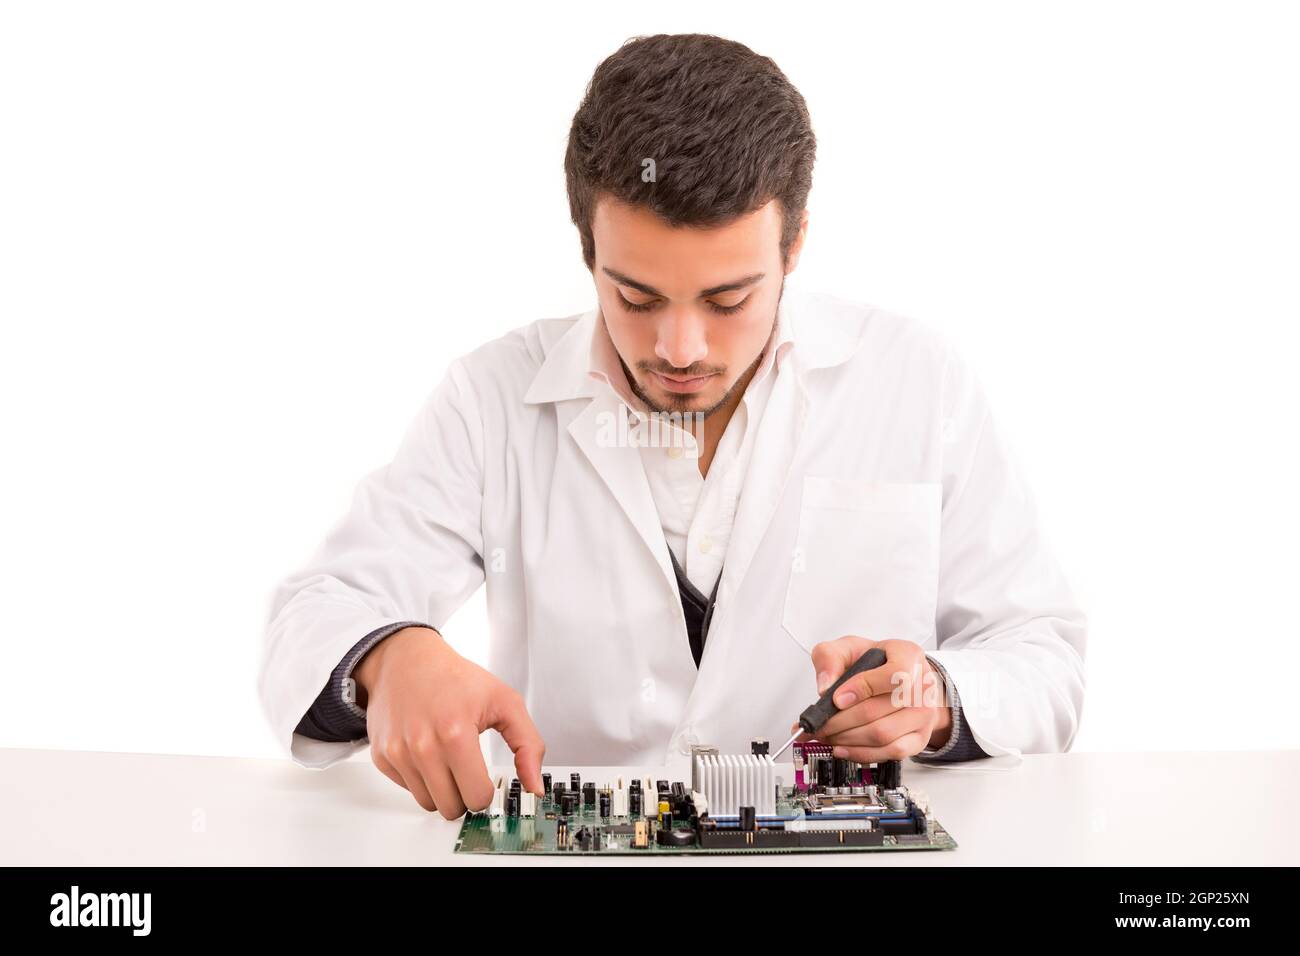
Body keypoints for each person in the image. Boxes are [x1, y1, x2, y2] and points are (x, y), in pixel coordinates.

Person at [259, 33, 1087, 818]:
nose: (679, 349)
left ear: (794, 245)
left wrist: (938, 699)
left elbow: (1043, 655)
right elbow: (314, 612)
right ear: (587, 248)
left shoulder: (917, 381)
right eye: (637, 297)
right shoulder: (491, 398)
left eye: (728, 300)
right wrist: (388, 657)